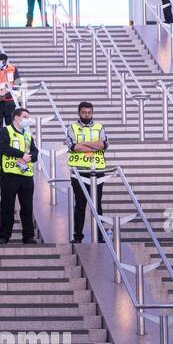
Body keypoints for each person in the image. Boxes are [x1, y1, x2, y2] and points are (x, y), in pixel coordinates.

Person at [68, 101, 108, 244]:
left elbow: (104, 144)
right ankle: (78, 236)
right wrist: (94, 145)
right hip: (79, 171)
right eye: (84, 112)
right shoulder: (72, 127)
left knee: (97, 205)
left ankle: (100, 235)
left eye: (89, 112)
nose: (87, 115)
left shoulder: (99, 127)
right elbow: (73, 147)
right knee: (80, 205)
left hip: (97, 170)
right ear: (79, 113)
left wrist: (84, 144)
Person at [0, 106, 38, 244]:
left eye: (28, 117)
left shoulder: (27, 135)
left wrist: (29, 157)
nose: (27, 120)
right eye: (25, 117)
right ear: (16, 118)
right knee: (7, 206)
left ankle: (28, 236)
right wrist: (22, 155)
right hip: (9, 174)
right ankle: (4, 236)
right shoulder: (5, 131)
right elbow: (2, 148)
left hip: (26, 175)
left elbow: (35, 152)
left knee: (27, 206)